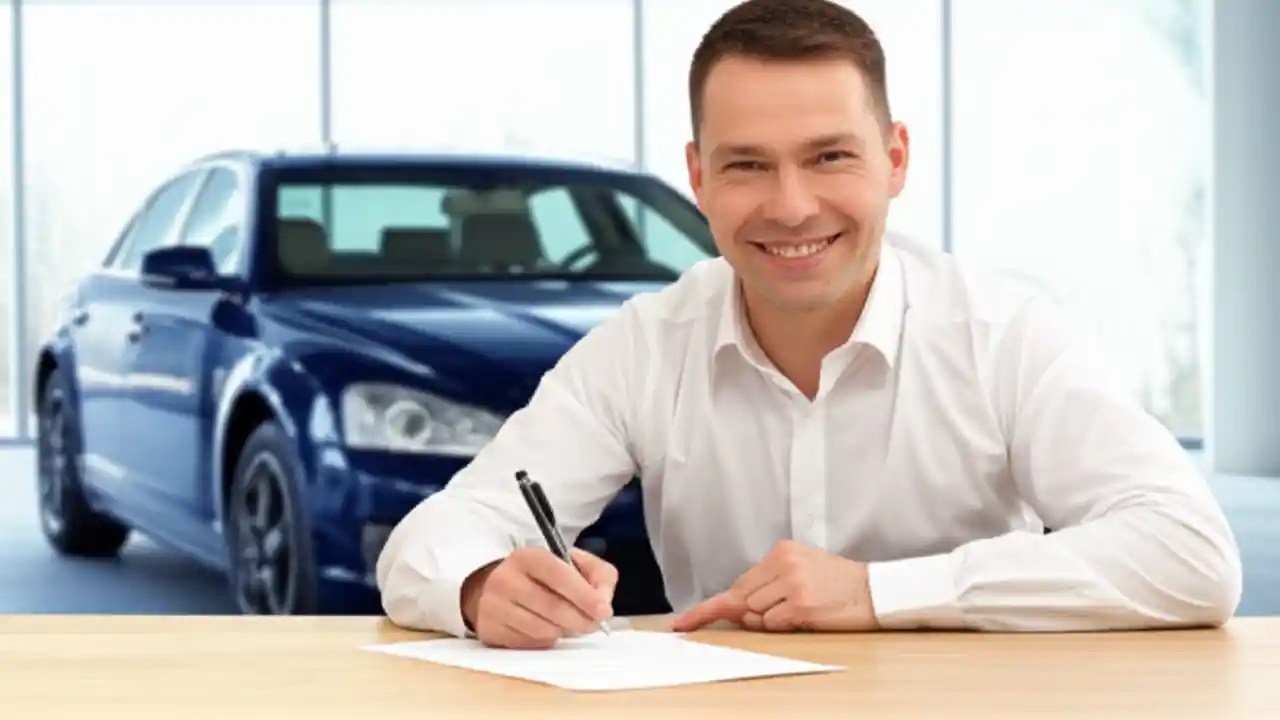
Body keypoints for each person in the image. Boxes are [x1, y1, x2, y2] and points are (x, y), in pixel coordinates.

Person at [376, 0, 1242, 648]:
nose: (792, 208)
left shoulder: (1003, 333)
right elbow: (428, 542)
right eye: (747, 165)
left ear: (895, 159)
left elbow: (1189, 553)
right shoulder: (644, 345)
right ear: (698, 177)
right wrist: (484, 584)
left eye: (830, 156)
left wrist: (879, 593)